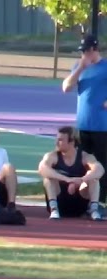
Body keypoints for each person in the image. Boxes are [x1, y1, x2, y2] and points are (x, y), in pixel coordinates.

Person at [63, 34, 107, 207]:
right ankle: (83, 201)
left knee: (101, 165)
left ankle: (100, 202)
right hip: (82, 126)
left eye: (86, 51)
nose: (84, 55)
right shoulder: (79, 66)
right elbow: (66, 87)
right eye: (82, 52)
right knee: (82, 164)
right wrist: (81, 67)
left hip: (102, 127)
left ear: (94, 50)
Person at [38, 126, 105, 221]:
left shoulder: (85, 156)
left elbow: (100, 169)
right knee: (48, 178)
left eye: (60, 140)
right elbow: (42, 168)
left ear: (72, 142)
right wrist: (67, 180)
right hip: (60, 200)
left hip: (79, 203)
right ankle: (54, 209)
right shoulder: (52, 156)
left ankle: (94, 210)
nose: (56, 143)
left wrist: (81, 180)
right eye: (57, 139)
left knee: (93, 177)